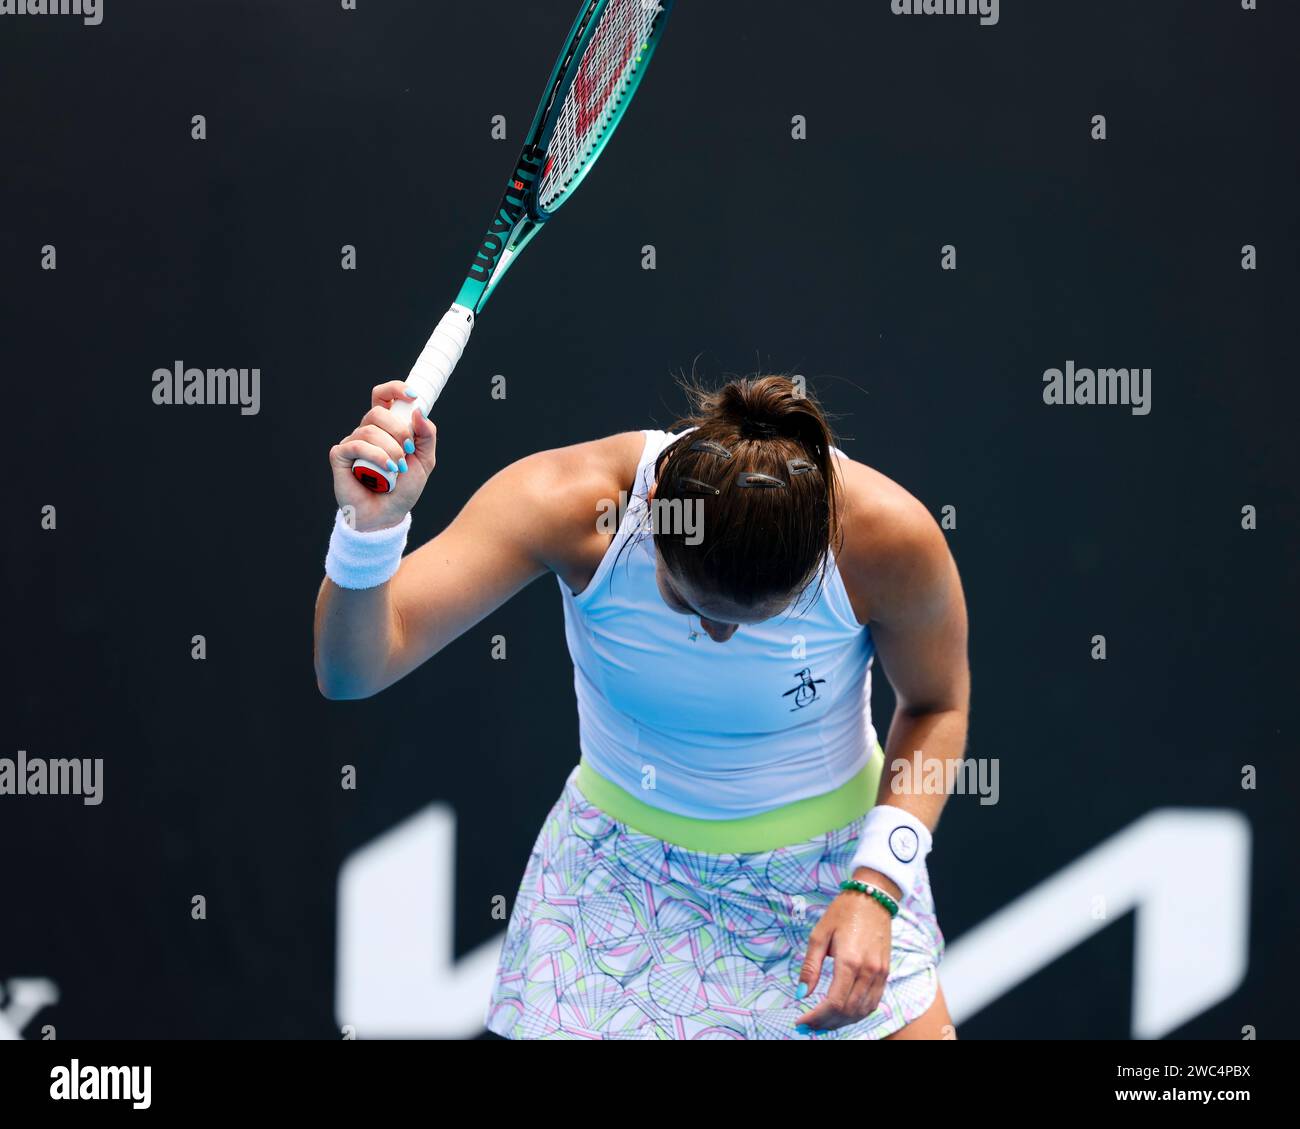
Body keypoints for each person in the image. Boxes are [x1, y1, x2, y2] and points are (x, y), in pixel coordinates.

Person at [314, 374, 969, 1039]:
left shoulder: (886, 537)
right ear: (655, 506)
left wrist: (879, 881)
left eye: (759, 618)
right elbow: (351, 672)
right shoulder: (565, 504)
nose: (719, 636)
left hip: (840, 873)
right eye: (689, 602)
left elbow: (938, 704)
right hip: (618, 878)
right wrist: (370, 531)